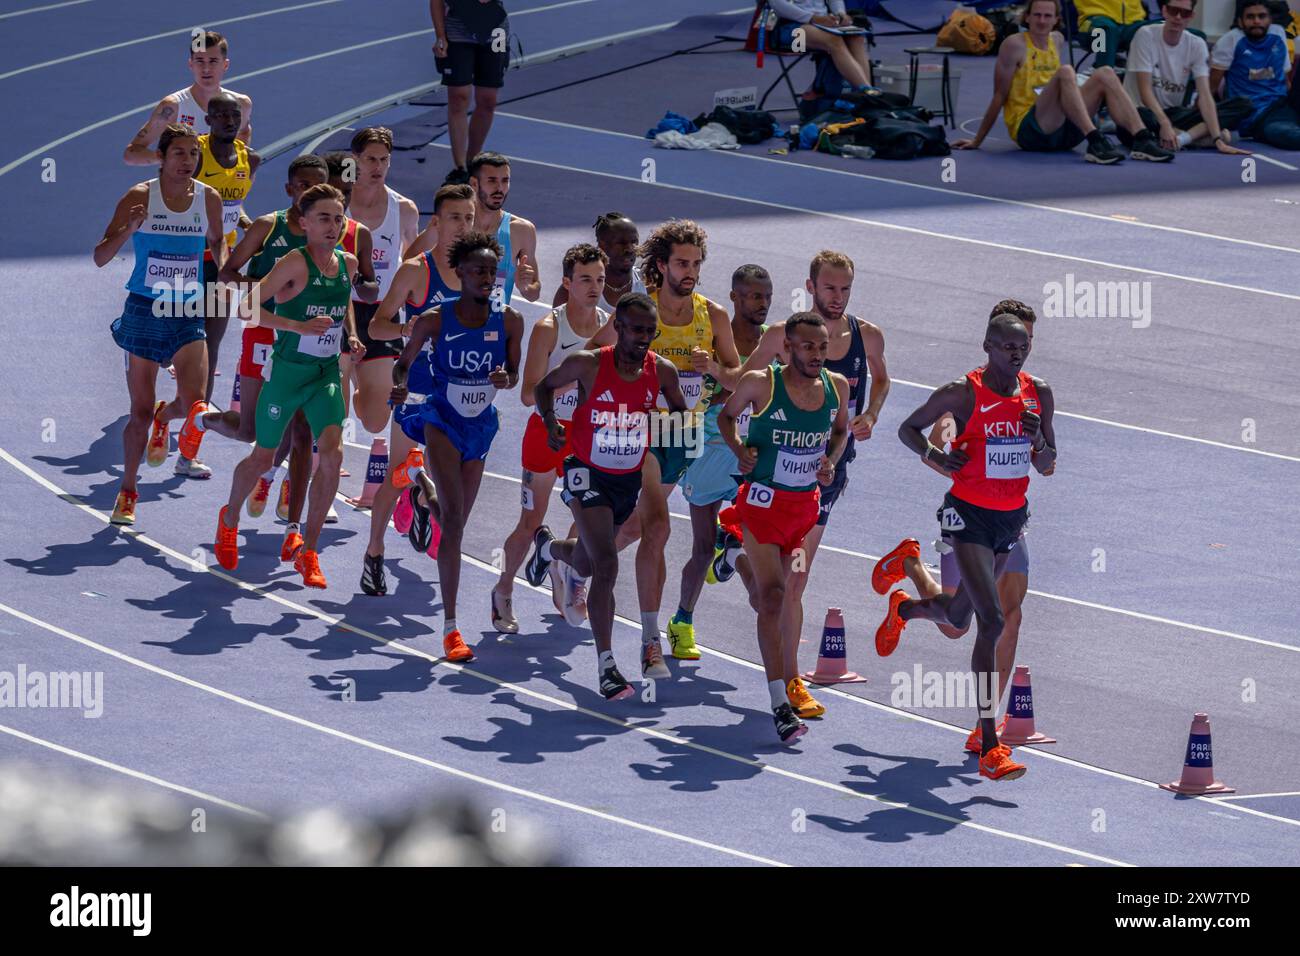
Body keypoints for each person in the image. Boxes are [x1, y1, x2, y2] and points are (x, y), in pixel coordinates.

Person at [874, 314, 1058, 782]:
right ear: (988, 347)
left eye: (1024, 347)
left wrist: (1038, 438)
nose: (1016, 355)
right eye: (1007, 347)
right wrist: (938, 456)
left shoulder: (1039, 394)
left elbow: (1049, 465)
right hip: (967, 518)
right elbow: (907, 429)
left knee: (958, 619)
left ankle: (905, 607)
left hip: (1010, 519)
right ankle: (989, 745)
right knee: (993, 618)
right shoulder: (964, 392)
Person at [731, 251, 886, 716]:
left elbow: (882, 379)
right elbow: (745, 380)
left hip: (824, 478)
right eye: (829, 289)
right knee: (784, 589)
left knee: (789, 585)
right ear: (811, 287)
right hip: (771, 480)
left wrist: (870, 415)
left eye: (845, 290)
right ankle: (791, 680)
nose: (837, 298)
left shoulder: (868, 336)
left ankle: (738, 556)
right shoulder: (784, 335)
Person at [591, 220, 741, 675]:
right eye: (681, 263)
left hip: (686, 432)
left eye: (695, 263)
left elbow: (739, 376)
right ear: (661, 265)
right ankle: (651, 639)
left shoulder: (711, 315)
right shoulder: (641, 312)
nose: (690, 270)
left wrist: (712, 367)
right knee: (657, 529)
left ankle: (576, 562)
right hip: (641, 432)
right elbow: (594, 355)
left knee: (636, 528)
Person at [525, 294, 687, 701]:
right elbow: (543, 388)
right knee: (608, 563)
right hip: (585, 471)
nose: (643, 338)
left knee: (587, 560)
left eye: (650, 332)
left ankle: (549, 550)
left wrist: (673, 449)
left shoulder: (661, 372)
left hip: (626, 479)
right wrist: (550, 425)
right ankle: (607, 667)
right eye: (635, 330)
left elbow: (684, 417)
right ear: (618, 328)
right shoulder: (590, 363)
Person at [213, 185, 362, 587]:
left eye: (339, 218)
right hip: (286, 375)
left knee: (331, 456)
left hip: (324, 374)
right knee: (262, 458)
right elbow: (249, 307)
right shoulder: (293, 264)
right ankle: (228, 520)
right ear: (304, 223)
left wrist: (350, 335)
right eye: (324, 218)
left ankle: (309, 550)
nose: (334, 226)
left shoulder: (347, 263)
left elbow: (343, 300)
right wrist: (296, 325)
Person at [389, 232, 524, 661]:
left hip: (480, 427)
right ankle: (451, 628)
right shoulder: (434, 319)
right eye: (478, 271)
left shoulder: (510, 322)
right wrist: (399, 385)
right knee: (456, 527)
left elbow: (514, 373)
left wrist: (504, 379)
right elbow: (404, 364)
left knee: (454, 514)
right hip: (441, 419)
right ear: (460, 274)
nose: (486, 277)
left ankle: (418, 486)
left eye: (491, 271)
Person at [718, 313, 852, 742]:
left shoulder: (837, 387)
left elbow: (840, 432)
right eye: (808, 346)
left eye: (823, 346)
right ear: (788, 347)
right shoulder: (761, 383)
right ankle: (780, 702)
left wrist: (828, 460)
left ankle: (734, 556)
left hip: (802, 512)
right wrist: (740, 449)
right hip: (761, 507)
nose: (817, 354)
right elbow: (726, 417)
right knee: (775, 598)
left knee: (768, 599)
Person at [95, 124, 225, 526]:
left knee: (193, 402)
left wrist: (237, 278)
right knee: (138, 411)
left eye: (193, 155)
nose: (187, 162)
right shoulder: (139, 196)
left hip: (186, 308)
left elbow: (220, 247)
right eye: (179, 154)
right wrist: (128, 230)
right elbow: (100, 256)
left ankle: (165, 422)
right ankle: (128, 491)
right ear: (163, 157)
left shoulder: (209, 198)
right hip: (146, 308)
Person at [201, 155, 326, 558]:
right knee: (250, 431)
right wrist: (271, 285)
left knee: (302, 431)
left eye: (319, 186)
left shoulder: (330, 233)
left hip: (307, 342)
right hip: (265, 334)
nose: (310, 193)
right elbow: (226, 274)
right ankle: (199, 418)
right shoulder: (266, 227)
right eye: (303, 185)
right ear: (290, 189)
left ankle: (294, 525)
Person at [358, 183, 476, 596]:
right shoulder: (416, 270)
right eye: (455, 217)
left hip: (462, 394)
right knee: (396, 471)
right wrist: (406, 329)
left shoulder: (479, 274)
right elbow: (377, 325)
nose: (463, 226)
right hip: (416, 389)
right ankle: (374, 552)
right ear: (436, 223)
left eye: (469, 218)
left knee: (453, 484)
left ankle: (423, 501)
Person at [491, 243, 609, 632]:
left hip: (588, 438)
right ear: (567, 283)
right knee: (530, 521)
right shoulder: (549, 328)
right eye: (586, 279)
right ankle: (504, 590)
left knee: (589, 521)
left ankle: (566, 572)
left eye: (600, 279)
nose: (594, 287)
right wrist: (573, 378)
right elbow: (528, 394)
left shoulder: (609, 325)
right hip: (548, 431)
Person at [671, 265, 772, 652]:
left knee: (759, 539)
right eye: (753, 296)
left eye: (767, 296)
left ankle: (763, 601)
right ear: (735, 297)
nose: (762, 303)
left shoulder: (772, 343)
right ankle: (682, 621)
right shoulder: (711, 342)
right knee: (699, 548)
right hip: (709, 452)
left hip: (750, 456)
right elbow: (697, 395)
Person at [954, 0, 1174, 163]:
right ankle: (1096, 140)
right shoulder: (1014, 45)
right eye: (1037, 15)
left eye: (1047, 16)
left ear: (1056, 20)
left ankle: (1142, 138)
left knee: (1106, 72)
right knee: (1066, 71)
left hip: (1063, 130)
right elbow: (999, 96)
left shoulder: (1056, 40)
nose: (1042, 21)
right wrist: (977, 141)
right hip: (1030, 130)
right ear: (1027, 17)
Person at [173, 90, 261, 480]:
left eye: (235, 115)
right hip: (187, 261)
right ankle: (164, 406)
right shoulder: (197, 155)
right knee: (176, 342)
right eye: (222, 115)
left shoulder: (249, 159)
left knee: (211, 346)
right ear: (207, 121)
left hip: (222, 263)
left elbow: (232, 205)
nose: (229, 120)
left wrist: (246, 226)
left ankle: (187, 449)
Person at [340, 128, 420, 437]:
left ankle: (360, 379)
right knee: (335, 412)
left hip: (381, 315)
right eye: (370, 159)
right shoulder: (337, 205)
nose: (377, 167)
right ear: (354, 160)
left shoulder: (404, 209)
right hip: (339, 312)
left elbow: (414, 261)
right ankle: (325, 465)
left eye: (384, 160)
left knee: (376, 422)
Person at [1122, 0, 1253, 151]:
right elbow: (1145, 92)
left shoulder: (1197, 44)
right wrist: (1164, 124)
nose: (1178, 17)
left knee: (1244, 104)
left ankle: (1181, 139)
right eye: (1173, 11)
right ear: (1164, 11)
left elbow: (1204, 95)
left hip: (1174, 113)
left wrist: (1217, 140)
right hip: (1142, 114)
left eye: (1185, 13)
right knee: (1140, 120)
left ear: (1191, 16)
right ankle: (1193, 137)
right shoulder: (1145, 34)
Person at [124, 31, 252, 165]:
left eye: (213, 61)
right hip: (183, 185)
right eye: (200, 61)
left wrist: (238, 162)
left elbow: (244, 133)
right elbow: (131, 153)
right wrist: (170, 158)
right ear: (191, 64)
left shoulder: (241, 105)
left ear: (225, 65)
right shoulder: (173, 106)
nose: (206, 69)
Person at [431, 0, 512, 184]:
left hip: (496, 34)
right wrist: (440, 36)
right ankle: (460, 168)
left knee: (488, 100)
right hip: (457, 34)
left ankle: (472, 162)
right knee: (458, 97)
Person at [1211, 1, 1300, 150]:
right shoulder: (1230, 40)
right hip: (1255, 116)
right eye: (1250, 17)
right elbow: (1210, 88)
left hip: (1282, 105)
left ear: (1270, 19)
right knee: (1288, 134)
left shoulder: (1278, 33)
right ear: (1240, 21)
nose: (1257, 21)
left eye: (1262, 16)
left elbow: (1285, 81)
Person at [769, 0, 874, 90]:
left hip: (823, 23)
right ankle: (868, 93)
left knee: (856, 37)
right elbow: (777, 4)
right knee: (833, 40)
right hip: (788, 28)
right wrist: (812, 18)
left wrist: (840, 14)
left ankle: (864, 94)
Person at [553, 212, 646, 312]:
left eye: (634, 242)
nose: (630, 249)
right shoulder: (572, 290)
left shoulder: (647, 282)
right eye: (621, 243)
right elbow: (557, 325)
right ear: (602, 244)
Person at [1075, 0, 1160, 70]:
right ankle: (1101, 76)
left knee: (1160, 27)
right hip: (1094, 23)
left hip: (1131, 23)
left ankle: (1159, 82)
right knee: (1106, 30)